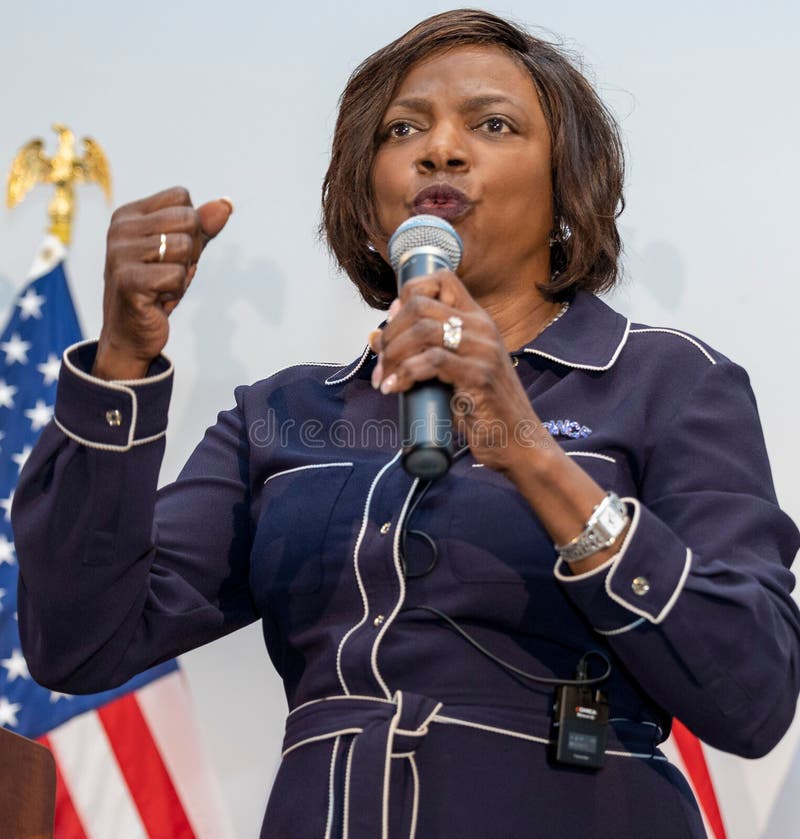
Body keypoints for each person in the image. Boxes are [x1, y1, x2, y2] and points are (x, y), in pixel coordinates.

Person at [12, 9, 800, 838]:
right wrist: (122, 366)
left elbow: (752, 691)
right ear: (367, 191)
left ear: (568, 187)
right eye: (404, 128)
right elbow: (77, 642)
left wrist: (532, 455)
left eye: (492, 124)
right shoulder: (282, 415)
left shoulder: (668, 383)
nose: (442, 149)